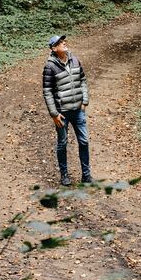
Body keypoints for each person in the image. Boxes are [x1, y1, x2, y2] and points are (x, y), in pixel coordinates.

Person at [42, 33, 92, 186]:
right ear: (54, 48)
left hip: (78, 110)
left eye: (63, 41)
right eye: (59, 42)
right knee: (62, 143)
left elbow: (83, 80)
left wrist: (85, 101)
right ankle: (64, 175)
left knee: (83, 142)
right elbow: (47, 91)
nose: (64, 43)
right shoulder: (50, 67)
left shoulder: (75, 60)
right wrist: (54, 114)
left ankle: (86, 175)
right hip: (61, 113)